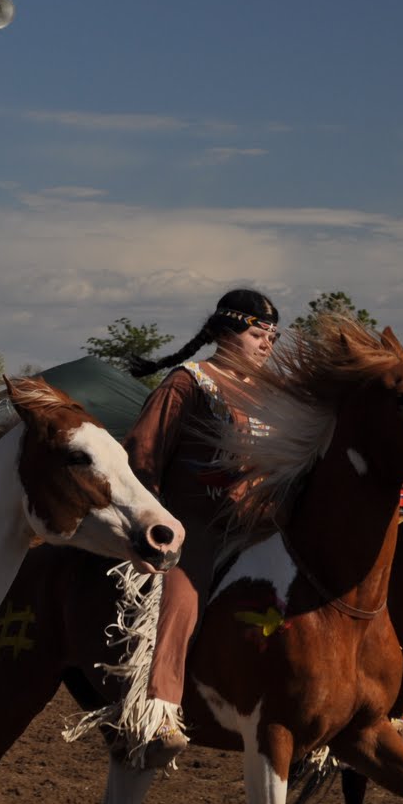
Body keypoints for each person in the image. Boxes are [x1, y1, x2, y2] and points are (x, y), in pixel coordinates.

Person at [120, 288, 279, 767]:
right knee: (182, 594)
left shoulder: (274, 395)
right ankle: (160, 709)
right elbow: (144, 454)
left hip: (260, 522)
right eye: (257, 334)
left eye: (273, 336)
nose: (267, 344)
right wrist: (155, 522)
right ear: (227, 334)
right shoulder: (189, 382)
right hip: (195, 522)